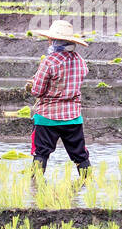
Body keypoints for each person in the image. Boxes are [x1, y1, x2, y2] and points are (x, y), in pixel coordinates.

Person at [27, 19, 90, 175]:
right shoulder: (80, 61)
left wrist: (31, 85)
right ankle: (87, 185)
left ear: (52, 40)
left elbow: (37, 91)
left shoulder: (49, 62)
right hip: (73, 117)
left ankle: (36, 187)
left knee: (41, 154)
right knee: (80, 156)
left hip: (47, 116)